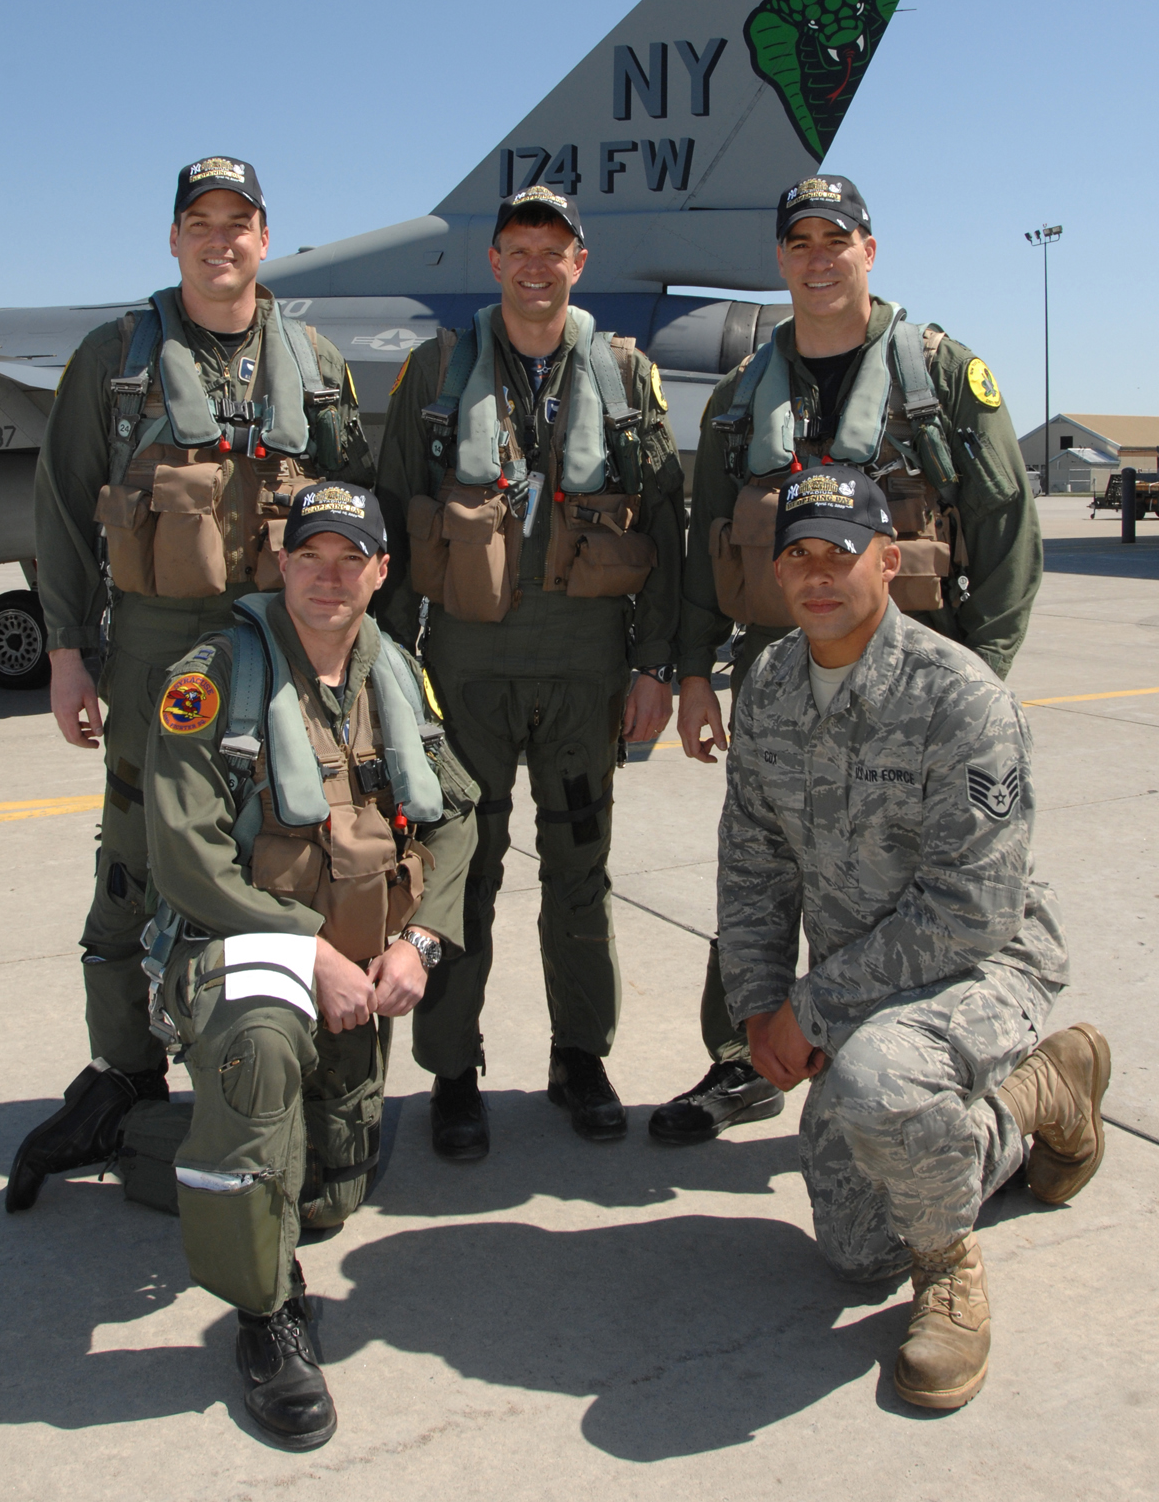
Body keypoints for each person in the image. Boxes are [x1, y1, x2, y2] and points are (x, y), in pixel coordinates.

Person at [6, 158, 375, 1211]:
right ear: (174, 240)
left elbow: (349, 513)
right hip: (155, 657)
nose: (221, 242)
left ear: (266, 237)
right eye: (199, 224)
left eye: (239, 223)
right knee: (133, 865)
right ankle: (124, 1074)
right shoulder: (116, 360)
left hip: (280, 656)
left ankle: (272, 1066)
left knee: (288, 858)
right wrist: (69, 648)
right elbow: (63, 503)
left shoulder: (311, 363)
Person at [651, 173, 1044, 1147]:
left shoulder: (942, 377)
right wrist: (696, 672)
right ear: (781, 259)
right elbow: (709, 538)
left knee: (927, 881)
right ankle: (744, 1059)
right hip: (780, 684)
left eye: (838, 240)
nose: (819, 258)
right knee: (760, 864)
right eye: (801, 243)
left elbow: (1007, 533)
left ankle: (963, 1064)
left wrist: (980, 677)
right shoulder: (743, 400)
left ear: (871, 250)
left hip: (916, 695)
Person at [717, 464, 1106, 1410]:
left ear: (888, 562)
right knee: (854, 1254)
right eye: (798, 556)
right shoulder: (769, 687)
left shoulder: (957, 698)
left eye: (840, 554)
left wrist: (814, 1007)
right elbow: (754, 865)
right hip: (865, 980)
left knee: (879, 1082)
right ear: (777, 576)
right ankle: (1035, 1096)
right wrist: (761, 1008)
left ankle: (951, 1276)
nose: (818, 575)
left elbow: (972, 910)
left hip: (983, 961)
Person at [144, 482, 477, 1448]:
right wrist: (307, 948)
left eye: (350, 560)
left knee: (327, 1199)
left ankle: (178, 1156)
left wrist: (422, 939)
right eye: (309, 557)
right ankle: (266, 1322)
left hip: (361, 958)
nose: (328, 578)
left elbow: (458, 816)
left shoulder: (396, 672)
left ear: (380, 572)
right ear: (278, 565)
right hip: (238, 941)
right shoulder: (216, 672)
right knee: (258, 1057)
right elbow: (184, 855)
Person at [376, 185, 684, 1157]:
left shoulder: (628, 376)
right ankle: (452, 1072)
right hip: (464, 671)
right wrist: (379, 685)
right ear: (497, 261)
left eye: (554, 250)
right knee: (457, 876)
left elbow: (666, 530)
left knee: (580, 873)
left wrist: (657, 668)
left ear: (577, 264)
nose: (536, 266)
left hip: (587, 670)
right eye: (519, 248)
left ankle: (578, 1057)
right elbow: (390, 518)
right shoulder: (434, 372)